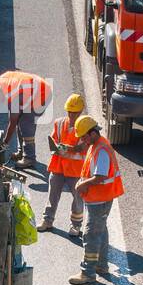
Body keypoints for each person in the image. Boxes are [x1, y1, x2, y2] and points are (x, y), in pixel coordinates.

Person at [68, 115, 124, 285]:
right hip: (100, 198)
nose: (83, 141)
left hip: (99, 199)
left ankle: (88, 273)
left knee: (90, 234)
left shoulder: (101, 151)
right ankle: (101, 265)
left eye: (84, 137)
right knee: (101, 231)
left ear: (93, 133)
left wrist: (82, 185)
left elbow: (99, 176)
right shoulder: (97, 144)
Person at [37, 92, 86, 237]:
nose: (71, 116)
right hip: (58, 167)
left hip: (76, 171)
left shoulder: (85, 127)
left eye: (75, 113)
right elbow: (53, 143)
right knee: (52, 196)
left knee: (77, 199)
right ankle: (47, 220)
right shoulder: (59, 123)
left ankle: (75, 226)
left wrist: (63, 148)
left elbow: (81, 148)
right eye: (69, 112)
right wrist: (62, 148)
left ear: (81, 111)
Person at [0, 70, 52, 166]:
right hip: (35, 87)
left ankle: (29, 158)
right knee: (20, 120)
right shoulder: (0, 80)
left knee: (25, 125)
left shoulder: (12, 95)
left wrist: (4, 143)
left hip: (42, 95)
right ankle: (21, 152)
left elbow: (12, 123)